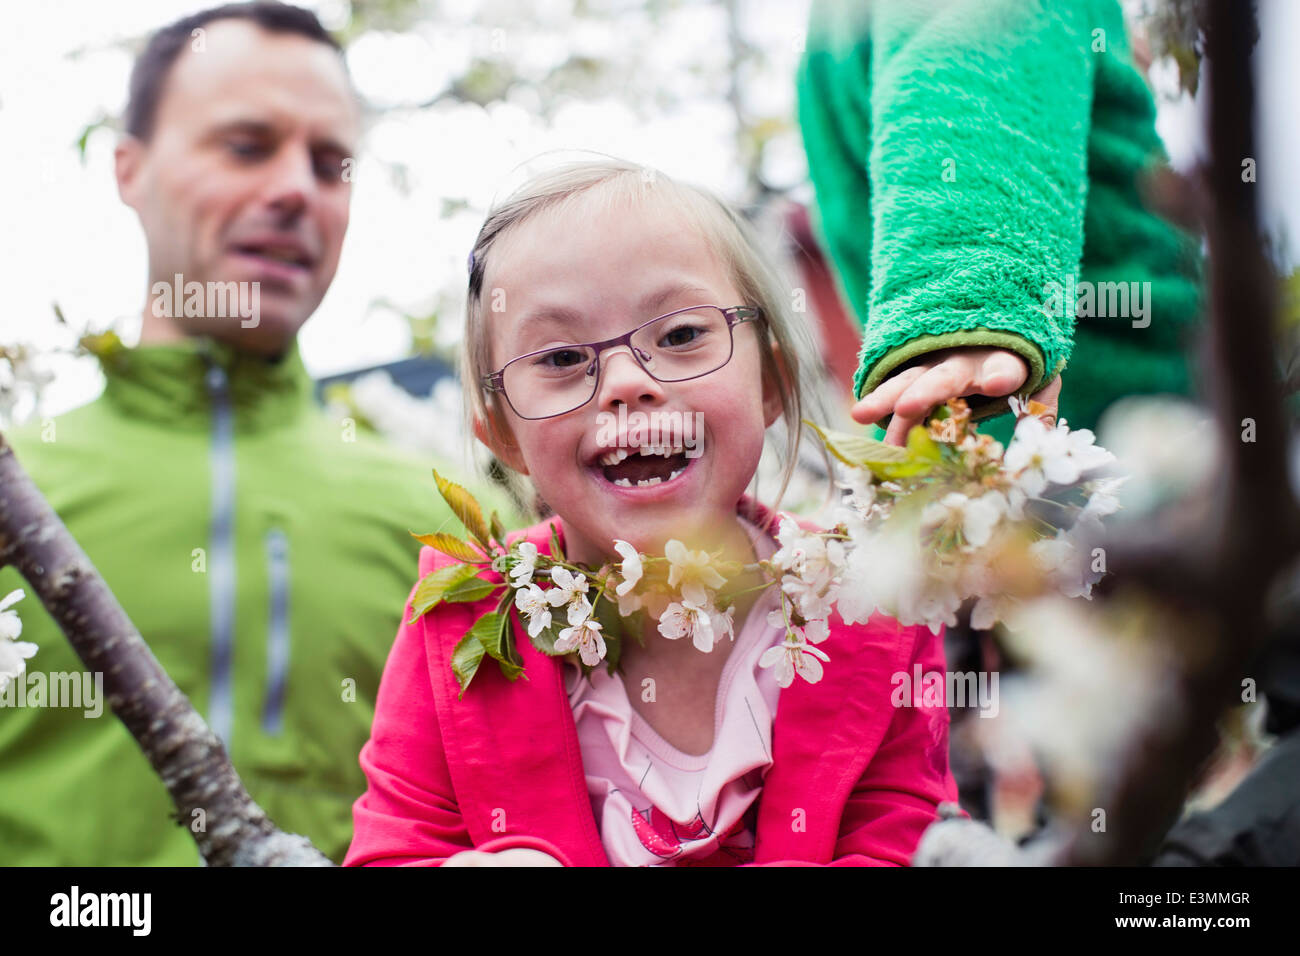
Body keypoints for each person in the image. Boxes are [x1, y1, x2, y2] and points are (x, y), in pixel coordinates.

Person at [344, 159, 962, 867]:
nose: (628, 385)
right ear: (504, 434)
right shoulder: (459, 626)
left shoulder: (868, 605)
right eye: (563, 356)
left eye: (678, 336)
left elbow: (905, 835)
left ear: (771, 382)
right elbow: (398, 845)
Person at [0, 2, 505, 865]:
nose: (294, 190)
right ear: (129, 168)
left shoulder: (455, 526)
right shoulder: (20, 489)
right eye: (245, 145)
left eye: (329, 162)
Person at [797, 0, 1203, 446]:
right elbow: (971, 68)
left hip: (964, 447)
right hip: (1113, 431)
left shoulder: (828, 39)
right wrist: (964, 305)